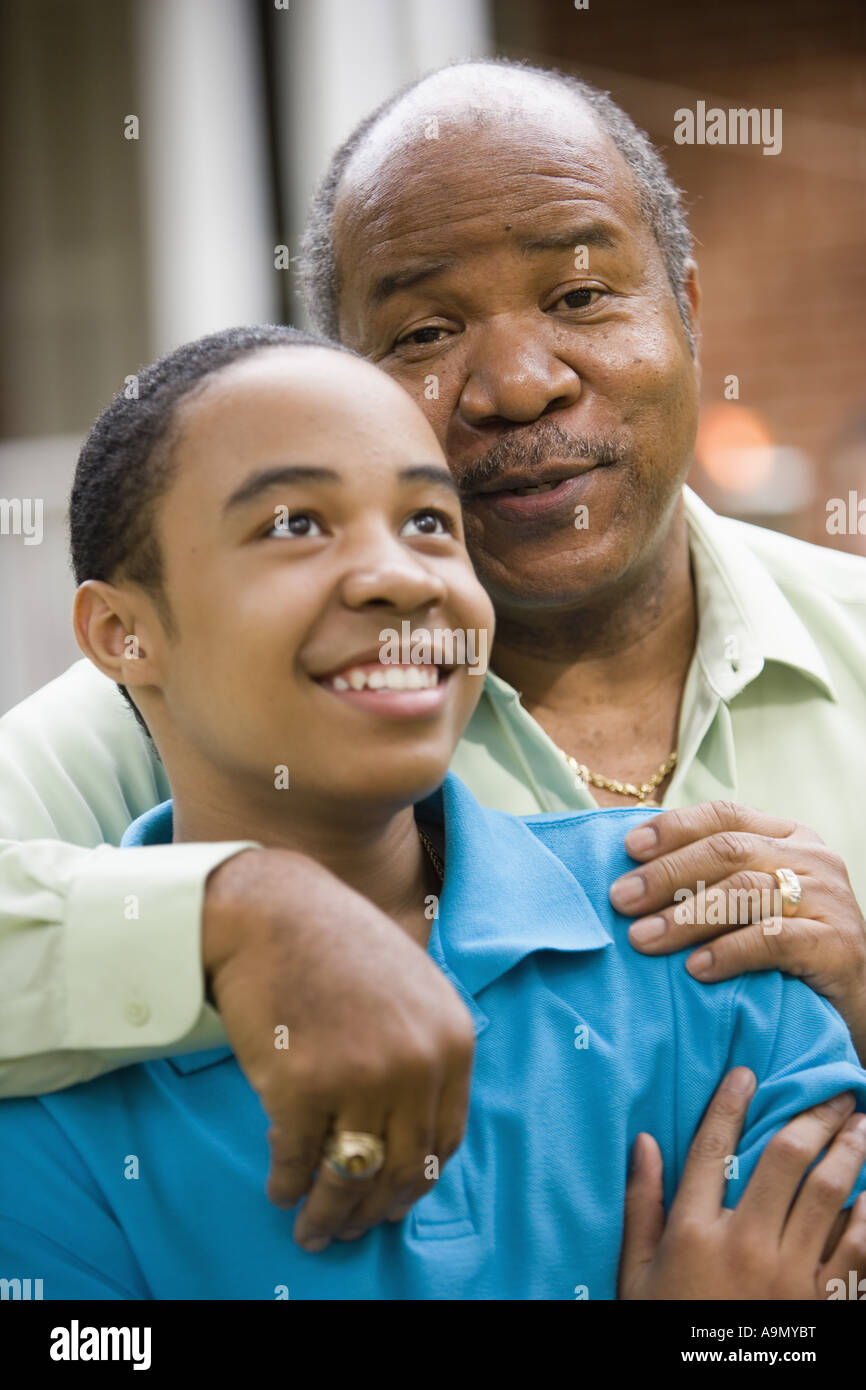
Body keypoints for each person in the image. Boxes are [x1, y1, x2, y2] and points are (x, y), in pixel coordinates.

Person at [2, 60, 866, 1256]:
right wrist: (233, 912)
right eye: (422, 330)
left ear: (685, 310)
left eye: (577, 295)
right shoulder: (157, 721)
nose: (517, 385)